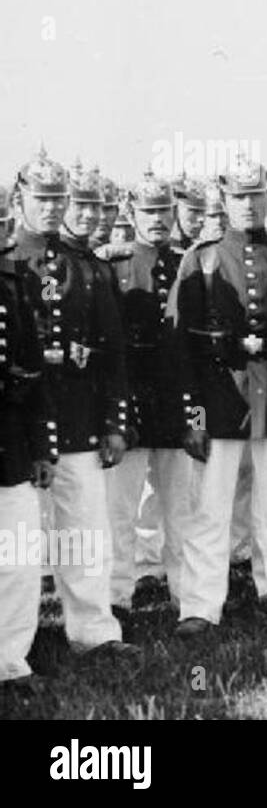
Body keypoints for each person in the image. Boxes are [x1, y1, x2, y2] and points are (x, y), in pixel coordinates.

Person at [169, 157, 267, 636]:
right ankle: (199, 608)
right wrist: (194, 419)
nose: (246, 205)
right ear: (224, 200)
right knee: (209, 509)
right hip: (219, 404)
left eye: (255, 196)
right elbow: (181, 352)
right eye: (237, 197)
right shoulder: (202, 259)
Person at [12, 150, 139, 659]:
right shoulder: (7, 259)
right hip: (17, 421)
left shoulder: (86, 267)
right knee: (16, 539)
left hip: (77, 417)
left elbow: (112, 350)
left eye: (57, 198)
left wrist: (115, 421)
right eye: (41, 198)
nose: (51, 207)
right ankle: (15, 643)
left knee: (85, 529)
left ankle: (93, 631)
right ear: (21, 198)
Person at [100, 175, 195, 617]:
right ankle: (117, 595)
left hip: (177, 400)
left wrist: (196, 416)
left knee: (183, 506)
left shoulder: (188, 263)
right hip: (131, 398)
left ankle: (187, 594)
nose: (157, 219)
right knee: (121, 509)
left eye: (163, 210)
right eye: (148, 211)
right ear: (131, 213)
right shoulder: (113, 264)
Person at [0, 185, 58, 693]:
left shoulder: (14, 285)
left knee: (18, 559)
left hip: (11, 444)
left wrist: (41, 447)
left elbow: (34, 370)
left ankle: (11, 662)